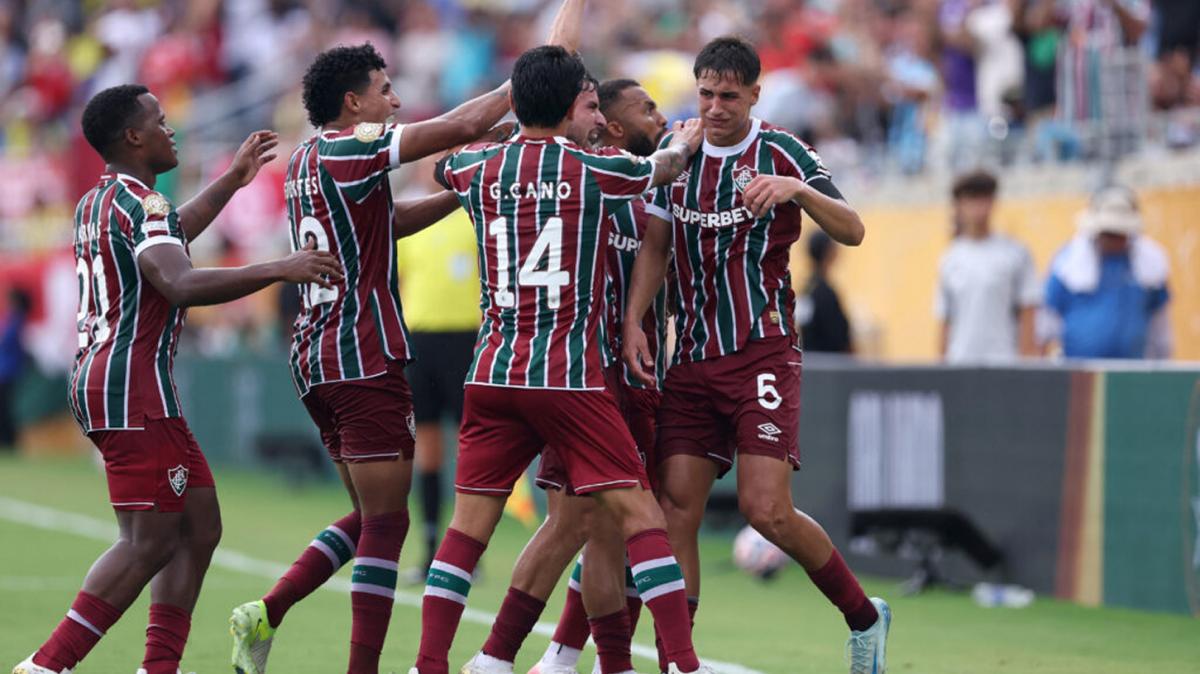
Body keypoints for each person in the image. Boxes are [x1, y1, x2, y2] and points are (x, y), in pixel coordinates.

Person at [13, 83, 341, 674]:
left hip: (107, 377)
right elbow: (180, 281)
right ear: (134, 136)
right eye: (160, 122)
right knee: (148, 540)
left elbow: (169, 238)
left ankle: (159, 667)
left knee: (200, 523)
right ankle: (45, 667)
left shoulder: (103, 199)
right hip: (130, 384)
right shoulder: (144, 204)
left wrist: (232, 180)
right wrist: (279, 267)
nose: (171, 131)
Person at [225, 36, 523, 674]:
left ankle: (267, 613)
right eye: (385, 90)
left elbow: (385, 225)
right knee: (388, 523)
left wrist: (465, 188)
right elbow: (464, 123)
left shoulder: (310, 159)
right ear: (353, 102)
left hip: (317, 358)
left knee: (369, 514)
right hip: (361, 354)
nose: (397, 99)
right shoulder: (354, 146)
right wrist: (525, 82)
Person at [411, 45, 706, 674]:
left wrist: (506, 125)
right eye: (590, 103)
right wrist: (685, 142)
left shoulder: (478, 166)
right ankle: (684, 665)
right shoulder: (593, 170)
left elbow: (444, 169)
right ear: (572, 105)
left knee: (465, 532)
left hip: (491, 370)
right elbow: (662, 167)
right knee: (640, 514)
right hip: (567, 375)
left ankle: (431, 663)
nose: (597, 116)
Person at [622, 37, 890, 674]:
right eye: (706, 94)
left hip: (762, 353)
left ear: (755, 96)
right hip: (688, 357)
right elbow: (656, 247)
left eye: (729, 97)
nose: (714, 108)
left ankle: (865, 617)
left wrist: (797, 189)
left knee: (765, 510)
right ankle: (676, 663)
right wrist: (635, 322)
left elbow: (852, 229)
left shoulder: (780, 150)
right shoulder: (678, 153)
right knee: (675, 507)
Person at [457, 77, 674, 674]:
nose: (662, 115)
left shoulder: (653, 189)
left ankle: (555, 655)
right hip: (579, 377)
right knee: (587, 522)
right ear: (612, 124)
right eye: (646, 107)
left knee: (605, 525)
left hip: (633, 374)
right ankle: (521, 655)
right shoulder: (591, 171)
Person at [395, 177, 482, 581]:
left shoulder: (474, 215)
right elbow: (397, 284)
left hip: (466, 341)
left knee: (472, 452)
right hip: (422, 344)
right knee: (428, 449)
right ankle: (430, 549)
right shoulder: (410, 220)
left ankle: (467, 553)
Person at [1041, 186, 1172, 359]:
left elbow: (1160, 326)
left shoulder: (1150, 264)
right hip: (1078, 371)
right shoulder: (1068, 263)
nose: (1114, 240)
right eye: (1109, 234)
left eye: (1120, 234)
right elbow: (1047, 322)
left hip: (1133, 372)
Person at [935, 170, 1041, 363]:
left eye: (983, 198)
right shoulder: (950, 258)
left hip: (1003, 364)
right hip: (960, 364)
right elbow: (945, 321)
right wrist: (942, 369)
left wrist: (1026, 367)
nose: (978, 207)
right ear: (959, 205)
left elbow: (1028, 313)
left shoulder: (1015, 253)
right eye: (971, 199)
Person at [797, 231, 853, 354]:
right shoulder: (825, 293)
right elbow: (838, 337)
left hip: (810, 363)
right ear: (828, 252)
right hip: (829, 365)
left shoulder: (807, 288)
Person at [0, 287, 31, 449]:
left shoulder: (18, 320)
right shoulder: (12, 319)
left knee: (5, 409)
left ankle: (8, 441)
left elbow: (7, 342)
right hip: (7, 371)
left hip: (8, 373)